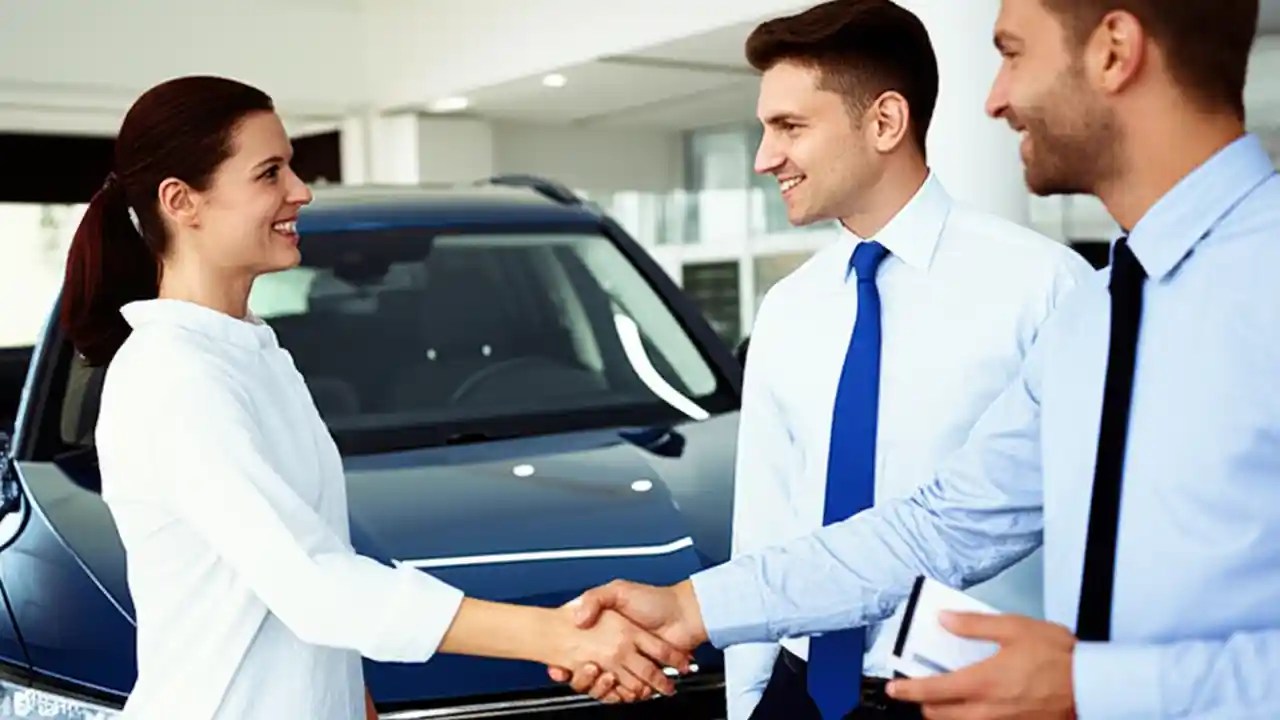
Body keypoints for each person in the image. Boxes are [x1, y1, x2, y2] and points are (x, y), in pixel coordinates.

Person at [555, 0, 1280, 717]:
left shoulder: (1102, 287)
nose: (995, 99)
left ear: (1114, 51)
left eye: (1013, 52)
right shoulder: (1101, 311)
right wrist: (691, 607)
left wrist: (1092, 687)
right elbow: (946, 524)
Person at [61, 75, 688, 720]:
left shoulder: (251, 352)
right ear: (181, 201)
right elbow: (314, 583)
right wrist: (556, 634)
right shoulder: (174, 376)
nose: (299, 191)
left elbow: (307, 570)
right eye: (270, 172)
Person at [725, 2, 1092, 718]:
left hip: (975, 698)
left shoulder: (1046, 287)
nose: (765, 158)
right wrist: (749, 700)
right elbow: (763, 522)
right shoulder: (789, 309)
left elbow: (1091, 525)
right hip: (803, 692)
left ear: (885, 122)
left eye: (789, 127)